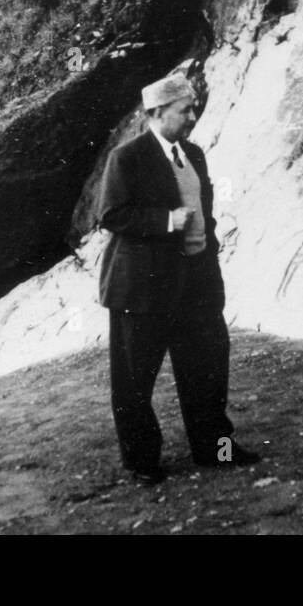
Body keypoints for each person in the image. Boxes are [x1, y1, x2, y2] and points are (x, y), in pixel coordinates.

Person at [96, 74, 260, 483]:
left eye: (192, 108)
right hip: (143, 288)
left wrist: (209, 250)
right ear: (156, 112)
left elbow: (204, 210)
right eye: (183, 110)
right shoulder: (127, 158)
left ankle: (216, 450)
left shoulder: (195, 154)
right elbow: (111, 214)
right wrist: (166, 221)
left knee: (207, 371)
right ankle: (143, 463)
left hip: (197, 286)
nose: (192, 116)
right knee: (134, 382)